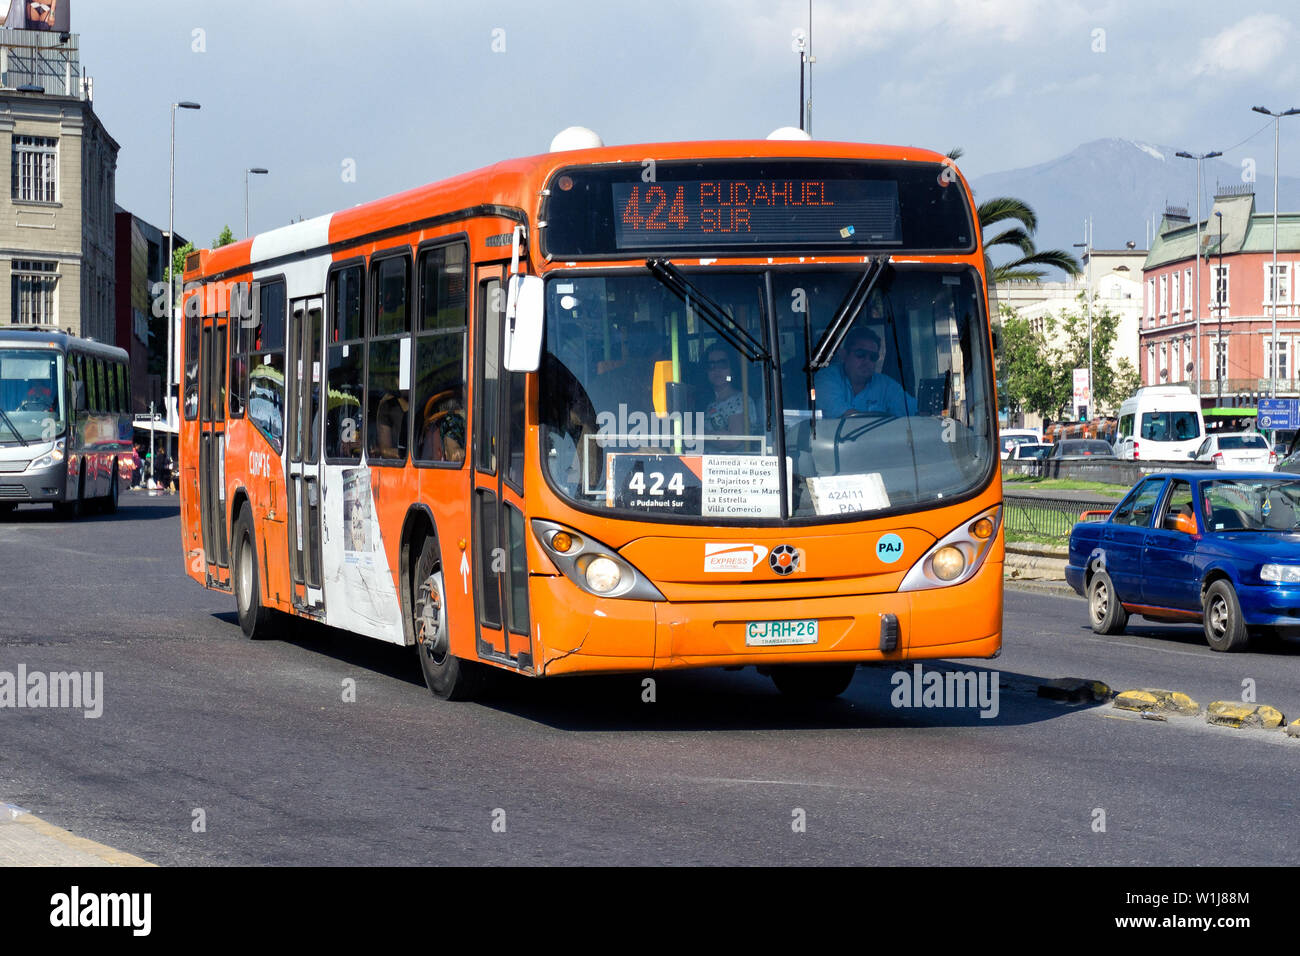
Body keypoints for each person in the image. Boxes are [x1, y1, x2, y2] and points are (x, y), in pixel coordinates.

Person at [813, 326, 915, 418]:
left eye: (873, 357)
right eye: (860, 354)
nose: (867, 361)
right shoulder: (825, 379)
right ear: (844, 355)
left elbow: (916, 411)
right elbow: (847, 416)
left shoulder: (886, 385)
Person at [702, 346, 759, 451]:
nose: (717, 370)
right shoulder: (709, 403)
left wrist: (701, 434)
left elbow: (733, 440)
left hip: (732, 464)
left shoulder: (740, 400)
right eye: (711, 365)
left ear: (732, 369)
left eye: (722, 364)